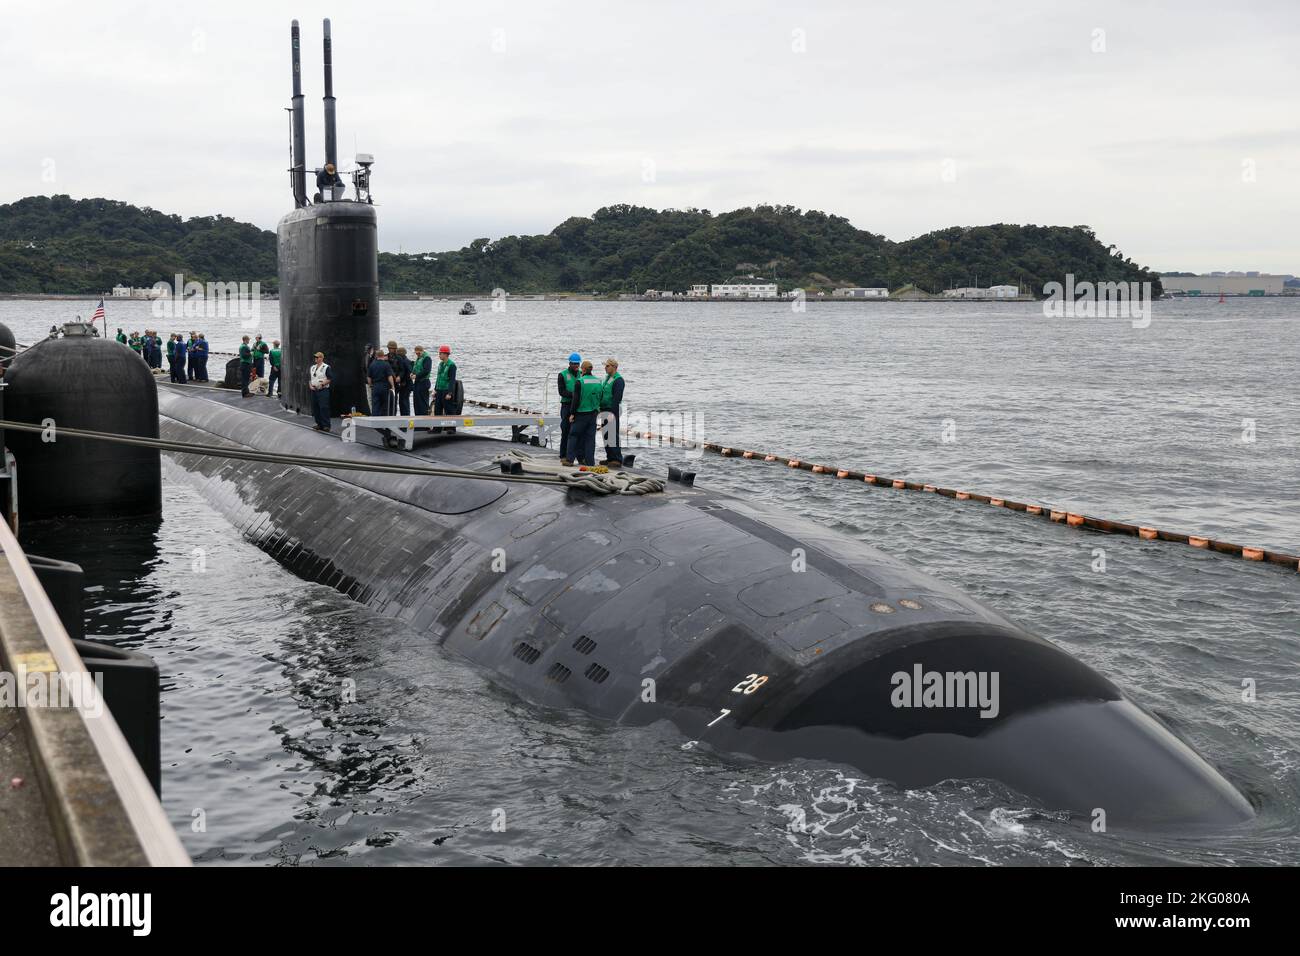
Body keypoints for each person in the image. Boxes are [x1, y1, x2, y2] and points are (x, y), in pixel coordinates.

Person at [565, 360, 603, 466]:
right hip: (593, 414)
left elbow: (575, 400)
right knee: (590, 439)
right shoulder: (598, 381)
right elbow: (600, 396)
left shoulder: (580, 381)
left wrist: (572, 413)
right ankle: (590, 461)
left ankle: (569, 460)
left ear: (584, 369)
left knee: (573, 435)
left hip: (581, 413)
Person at [599, 358, 625, 465]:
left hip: (612, 410)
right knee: (606, 434)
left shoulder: (618, 380)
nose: (605, 368)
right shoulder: (608, 378)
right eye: (605, 366)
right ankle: (610, 457)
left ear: (614, 367)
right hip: (604, 409)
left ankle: (617, 458)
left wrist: (612, 414)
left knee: (613, 434)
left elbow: (616, 399)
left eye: (607, 366)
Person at [557, 352, 581, 459]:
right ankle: (563, 454)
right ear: (570, 363)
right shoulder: (562, 375)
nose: (576, 366)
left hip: (579, 406)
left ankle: (575, 455)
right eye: (574, 364)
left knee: (577, 432)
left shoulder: (582, 373)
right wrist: (575, 395)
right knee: (566, 430)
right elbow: (561, 391)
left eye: (577, 364)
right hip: (567, 405)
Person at [368, 348, 395, 416]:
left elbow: (369, 377)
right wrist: (392, 386)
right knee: (385, 406)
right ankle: (383, 423)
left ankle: (375, 423)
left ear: (376, 356)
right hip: (384, 387)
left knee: (375, 405)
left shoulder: (372, 365)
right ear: (383, 356)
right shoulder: (386, 364)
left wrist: (370, 385)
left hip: (375, 386)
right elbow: (390, 377)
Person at [309, 351, 332, 431]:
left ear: (321, 358)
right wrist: (310, 386)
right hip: (314, 390)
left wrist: (322, 385)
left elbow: (329, 379)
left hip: (323, 390)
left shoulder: (326, 367)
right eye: (315, 357)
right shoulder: (312, 367)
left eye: (317, 357)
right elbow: (310, 379)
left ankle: (326, 425)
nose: (316, 358)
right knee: (316, 408)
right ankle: (319, 424)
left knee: (323, 407)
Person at [434, 345, 457, 417]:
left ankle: (450, 428)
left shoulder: (451, 365)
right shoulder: (441, 364)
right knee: (437, 410)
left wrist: (450, 393)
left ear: (446, 354)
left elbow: (452, 380)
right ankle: (437, 428)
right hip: (439, 390)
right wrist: (435, 389)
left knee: (449, 411)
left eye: (440, 353)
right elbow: (438, 377)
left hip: (446, 391)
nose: (439, 355)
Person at [411, 345, 432, 415]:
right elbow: (416, 368)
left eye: (418, 353)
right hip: (417, 382)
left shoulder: (427, 358)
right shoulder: (418, 358)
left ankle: (424, 419)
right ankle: (417, 417)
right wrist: (412, 373)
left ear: (422, 351)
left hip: (424, 382)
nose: (417, 355)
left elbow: (426, 370)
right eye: (416, 353)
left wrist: (416, 376)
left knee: (422, 402)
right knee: (416, 402)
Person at [392, 345, 413, 415]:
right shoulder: (405, 361)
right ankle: (404, 415)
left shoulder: (405, 362)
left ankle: (405, 416)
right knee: (403, 401)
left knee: (404, 401)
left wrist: (403, 382)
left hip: (406, 385)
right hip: (405, 385)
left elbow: (409, 373)